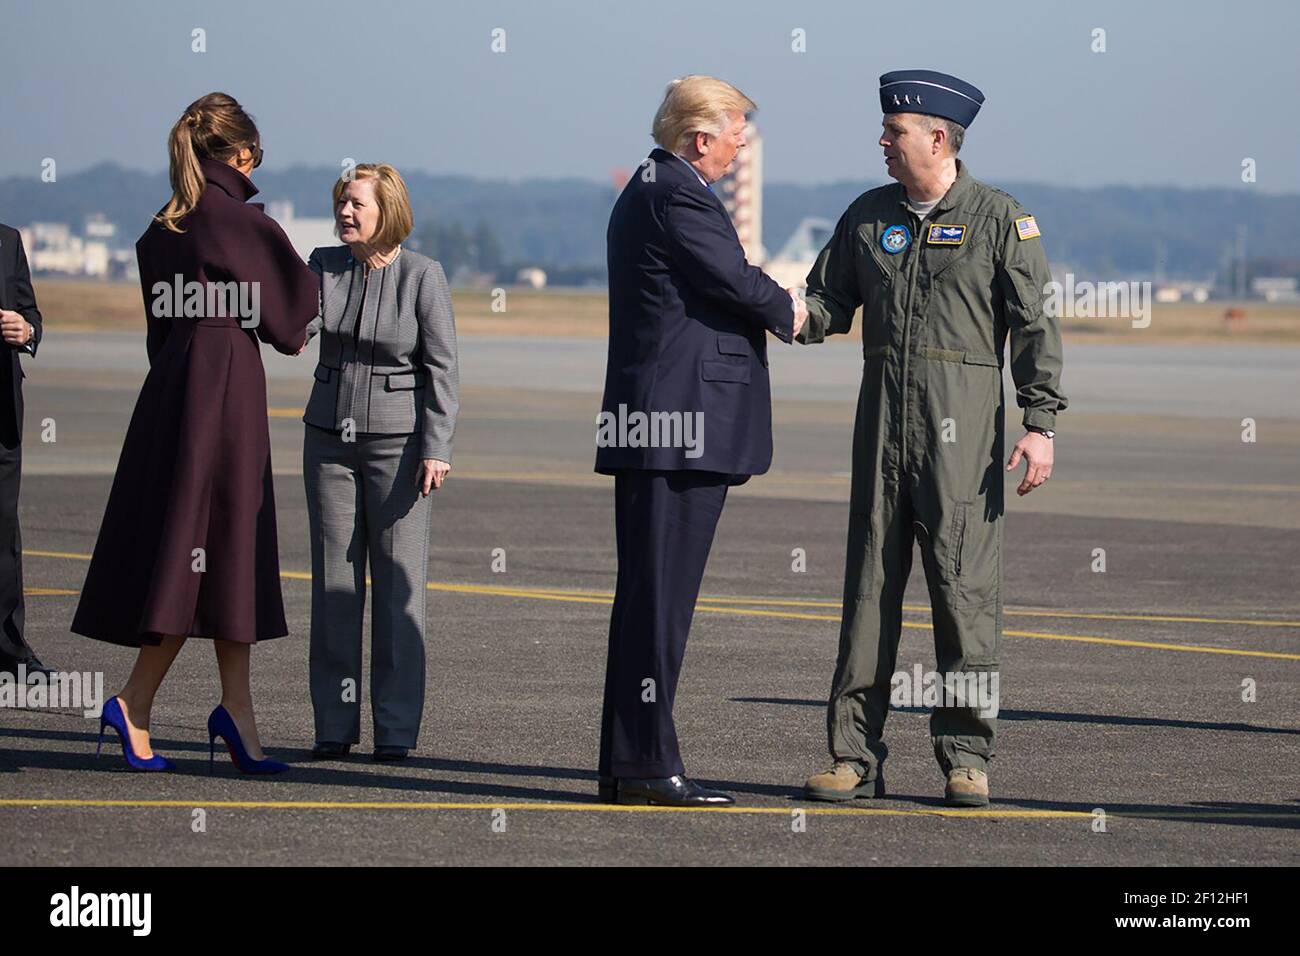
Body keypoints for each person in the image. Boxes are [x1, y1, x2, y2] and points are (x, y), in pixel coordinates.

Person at [799, 70, 1067, 807]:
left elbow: (1036, 327)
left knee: (965, 597)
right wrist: (775, 306)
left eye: (896, 132)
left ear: (939, 138)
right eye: (886, 131)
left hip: (963, 449)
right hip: (881, 437)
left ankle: (966, 756)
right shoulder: (867, 216)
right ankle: (852, 756)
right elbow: (827, 302)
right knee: (867, 595)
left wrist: (1040, 423)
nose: (883, 143)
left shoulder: (998, 220)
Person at [70, 92, 318, 773]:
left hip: (175, 387)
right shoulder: (234, 220)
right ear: (238, 154)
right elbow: (293, 322)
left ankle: (236, 713)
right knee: (208, 545)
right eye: (255, 159)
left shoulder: (165, 222)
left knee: (215, 547)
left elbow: (158, 328)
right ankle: (135, 701)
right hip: (227, 387)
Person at [595, 75, 806, 807]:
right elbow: (736, 279)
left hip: (662, 426)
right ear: (699, 137)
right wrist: (797, 311)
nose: (744, 142)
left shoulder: (654, 186)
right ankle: (646, 765)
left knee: (649, 601)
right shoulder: (677, 193)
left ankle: (630, 762)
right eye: (736, 128)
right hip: (675, 429)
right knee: (658, 604)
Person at [301, 163, 459, 762]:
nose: (345, 212)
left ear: (386, 210)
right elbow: (297, 326)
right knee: (334, 585)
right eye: (341, 202)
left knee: (398, 591)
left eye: (356, 204)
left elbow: (443, 368)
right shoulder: (323, 265)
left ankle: (394, 732)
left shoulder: (423, 276)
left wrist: (437, 447)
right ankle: (333, 728)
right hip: (327, 442)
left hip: (400, 449)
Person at [0, 222, 50, 681]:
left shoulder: (8, 240)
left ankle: (9, 651)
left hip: (2, 414)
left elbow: (31, 313)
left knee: (3, 532)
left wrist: (26, 330)